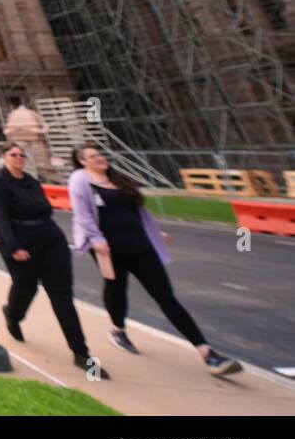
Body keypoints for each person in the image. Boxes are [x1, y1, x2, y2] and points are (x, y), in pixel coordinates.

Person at [68, 143, 242, 377]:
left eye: (100, 154)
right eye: (93, 156)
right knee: (116, 289)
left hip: (140, 246)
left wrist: (154, 233)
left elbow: (137, 212)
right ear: (82, 161)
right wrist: (97, 239)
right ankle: (118, 329)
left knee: (165, 297)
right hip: (109, 249)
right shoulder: (80, 180)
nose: (99, 158)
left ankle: (207, 353)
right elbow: (83, 215)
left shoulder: (119, 180)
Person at [0, 143, 107, 377]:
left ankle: (81, 354)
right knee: (26, 287)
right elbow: (0, 214)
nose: (19, 157)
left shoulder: (31, 180)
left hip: (51, 240)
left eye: (23, 154)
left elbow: (45, 208)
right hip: (19, 241)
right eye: (14, 154)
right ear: (4, 157)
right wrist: (14, 247)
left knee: (62, 295)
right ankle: (12, 315)